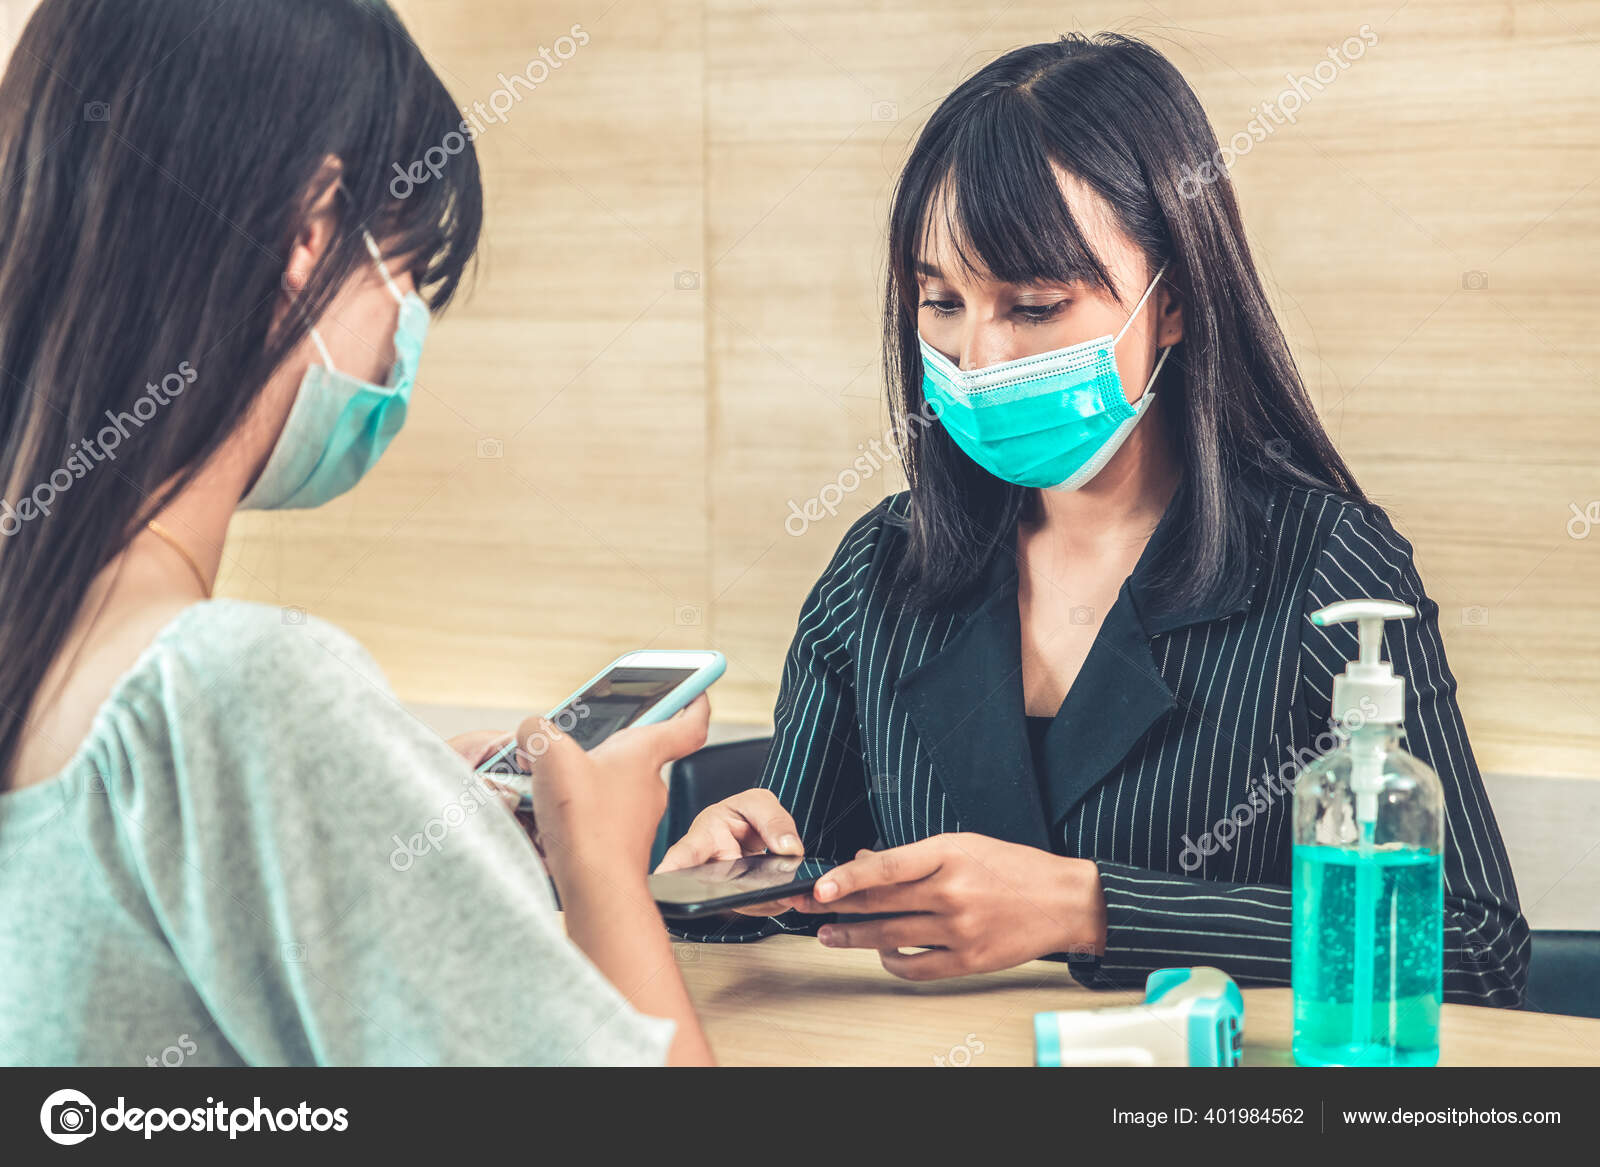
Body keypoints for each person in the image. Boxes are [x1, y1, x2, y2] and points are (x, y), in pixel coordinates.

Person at [660, 33, 1528, 1005]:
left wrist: (1093, 909)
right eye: (939, 301)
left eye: (1031, 306)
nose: (975, 357)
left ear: (1173, 302)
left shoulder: (1327, 567)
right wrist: (732, 875)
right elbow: (806, 882)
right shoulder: (880, 570)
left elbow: (1472, 947)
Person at [0, 0, 712, 1066]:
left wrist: (400, 806)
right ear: (310, 231)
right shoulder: (234, 689)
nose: (402, 338)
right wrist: (600, 862)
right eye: (412, 274)